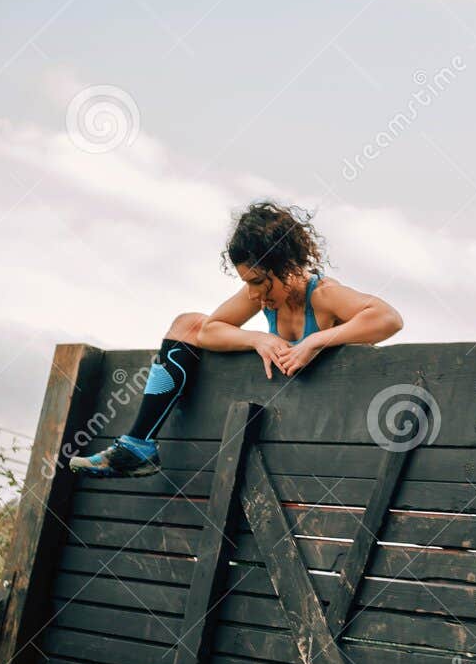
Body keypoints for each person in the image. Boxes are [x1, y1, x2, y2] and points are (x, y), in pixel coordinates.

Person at [70, 201, 403, 478]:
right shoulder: (259, 293)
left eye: (260, 281)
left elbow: (388, 319)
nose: (254, 294)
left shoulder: (325, 295)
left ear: (287, 267)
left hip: (338, 440)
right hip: (274, 437)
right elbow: (204, 330)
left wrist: (316, 342)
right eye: (248, 283)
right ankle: (139, 445)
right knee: (186, 323)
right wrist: (256, 338)